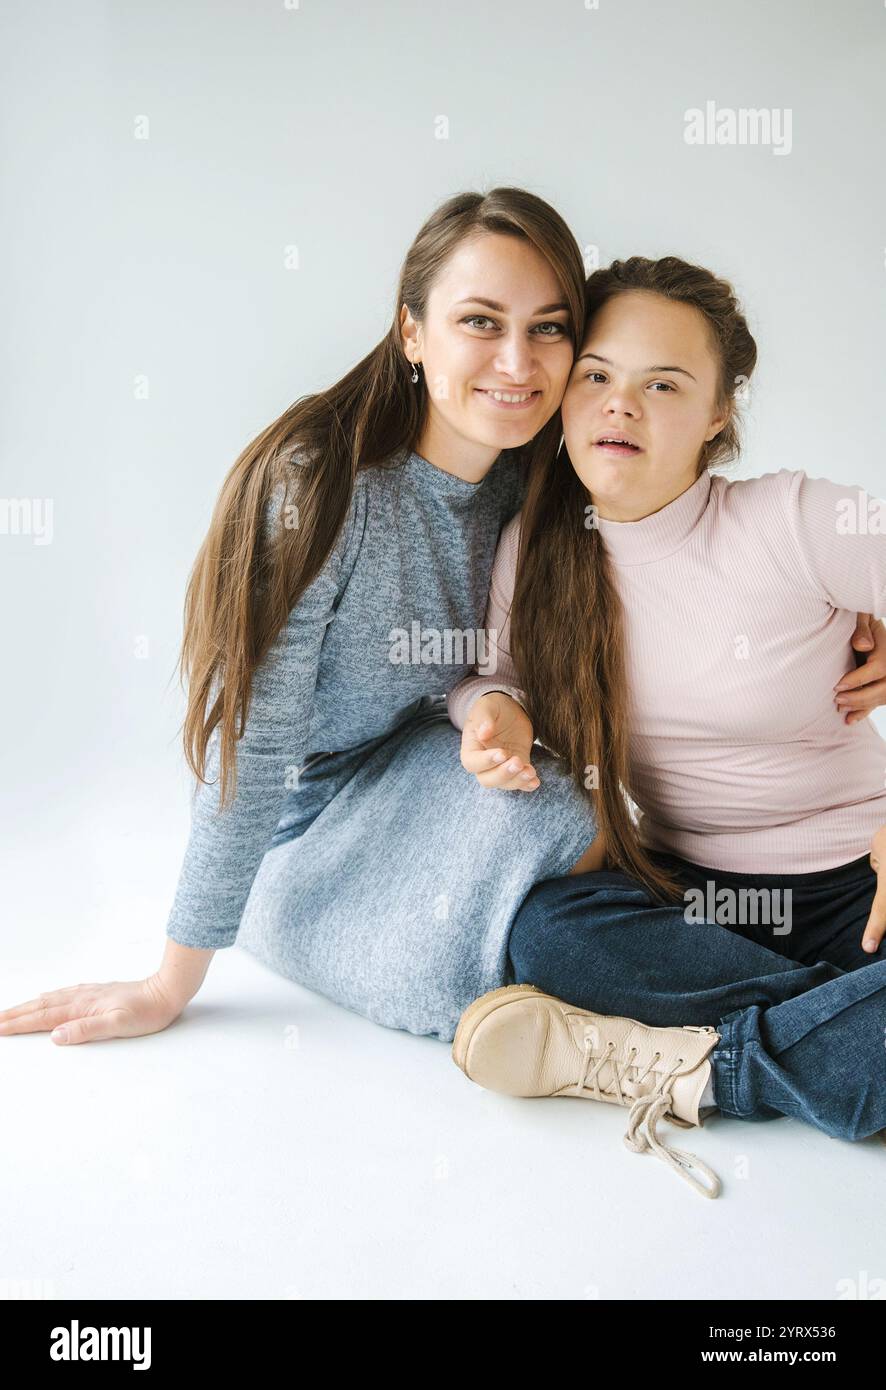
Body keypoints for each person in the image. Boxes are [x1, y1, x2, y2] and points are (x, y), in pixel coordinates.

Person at [447, 255, 886, 1198]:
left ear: (721, 412)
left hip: (862, 882)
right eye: (599, 376)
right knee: (550, 932)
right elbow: (500, 673)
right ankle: (842, 1045)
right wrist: (493, 711)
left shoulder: (794, 520)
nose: (620, 406)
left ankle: (684, 1067)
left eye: (665, 384)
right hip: (691, 899)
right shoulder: (541, 547)